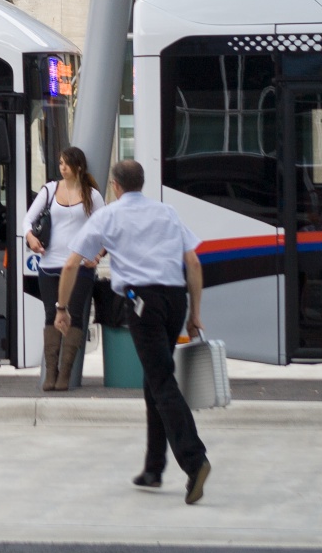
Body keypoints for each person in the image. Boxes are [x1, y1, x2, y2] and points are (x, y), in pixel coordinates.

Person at [56, 159, 209, 502]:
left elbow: (71, 263)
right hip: (175, 300)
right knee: (154, 378)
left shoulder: (108, 216)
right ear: (141, 183)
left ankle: (195, 460)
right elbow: (194, 263)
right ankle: (154, 468)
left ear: (115, 185)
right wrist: (195, 314)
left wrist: (62, 308)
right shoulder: (166, 213)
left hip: (143, 304)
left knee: (162, 380)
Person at [25, 145, 102, 391]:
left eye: (66, 163)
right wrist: (30, 237)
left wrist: (97, 255)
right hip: (49, 263)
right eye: (60, 163)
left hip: (80, 266)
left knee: (76, 316)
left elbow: (106, 228)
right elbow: (27, 219)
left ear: (79, 166)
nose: (62, 168)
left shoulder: (93, 195)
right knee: (52, 314)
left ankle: (65, 372)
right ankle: (51, 372)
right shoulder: (49, 190)